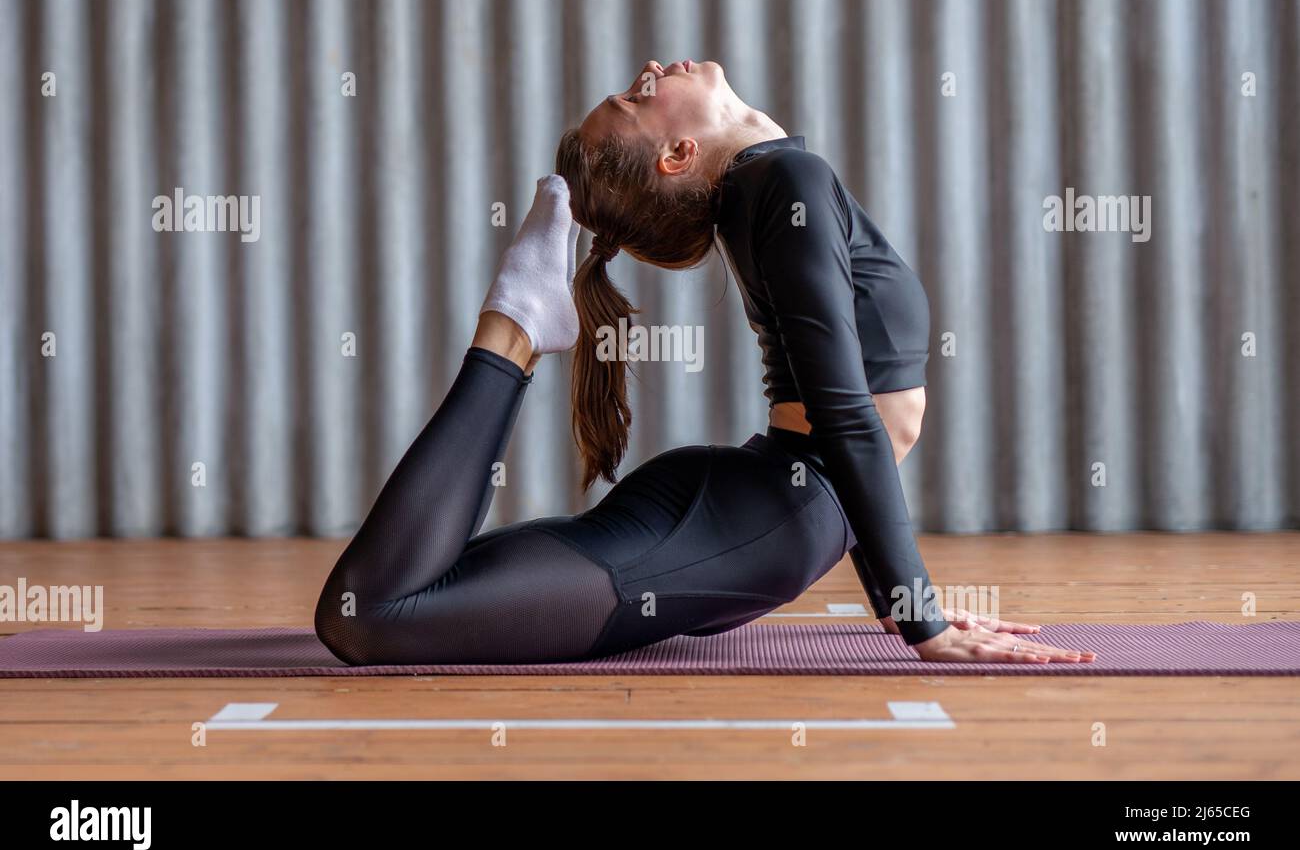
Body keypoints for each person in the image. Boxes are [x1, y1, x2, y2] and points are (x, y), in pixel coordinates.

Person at [313, 59, 1095, 666]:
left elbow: (846, 431)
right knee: (374, 613)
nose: (651, 71)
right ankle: (513, 327)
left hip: (742, 508)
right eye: (636, 94)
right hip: (748, 520)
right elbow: (846, 414)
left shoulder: (772, 186)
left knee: (400, 595)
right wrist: (917, 614)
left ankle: (519, 321)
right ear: (680, 152)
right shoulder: (786, 181)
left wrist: (901, 596)